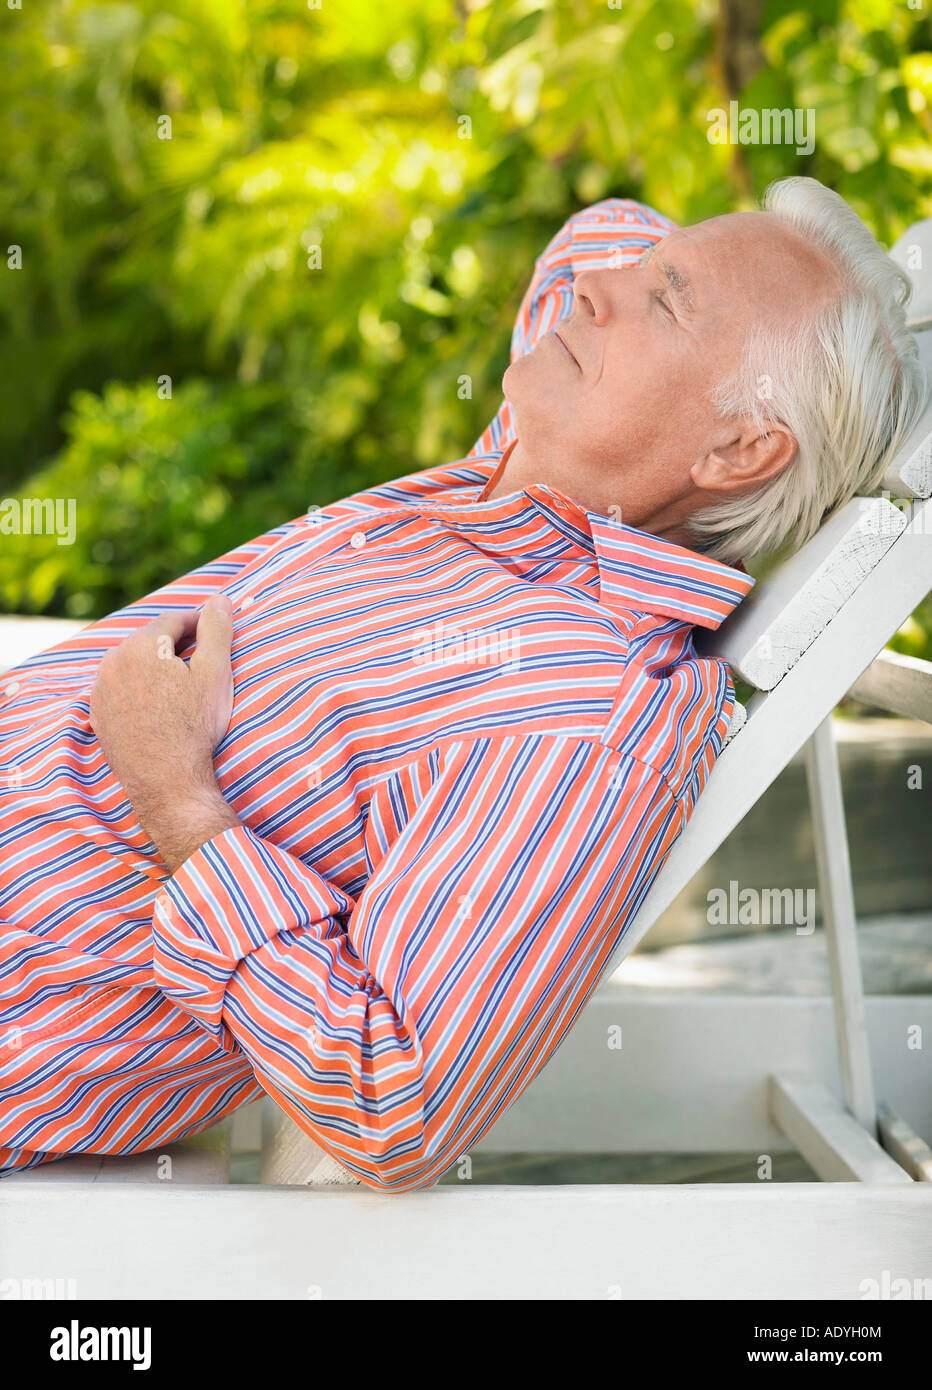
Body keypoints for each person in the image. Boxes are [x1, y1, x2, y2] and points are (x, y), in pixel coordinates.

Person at [0, 178, 925, 1190]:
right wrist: (838, 287)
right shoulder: (526, 475)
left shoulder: (577, 719)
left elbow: (393, 1099)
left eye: (660, 299)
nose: (596, 288)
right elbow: (599, 234)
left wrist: (175, 795)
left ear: (740, 448)